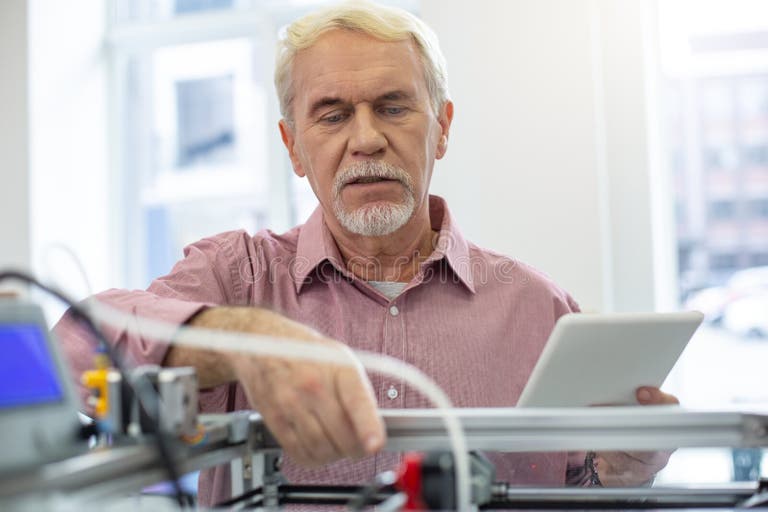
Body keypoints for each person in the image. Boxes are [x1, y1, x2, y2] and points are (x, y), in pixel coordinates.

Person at [55, 1, 677, 507]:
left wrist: (622, 474)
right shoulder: (237, 280)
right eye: (332, 115)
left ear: (442, 127)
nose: (367, 138)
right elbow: (74, 347)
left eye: (393, 106)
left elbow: (580, 492)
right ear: (293, 148)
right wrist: (245, 340)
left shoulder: (539, 310)